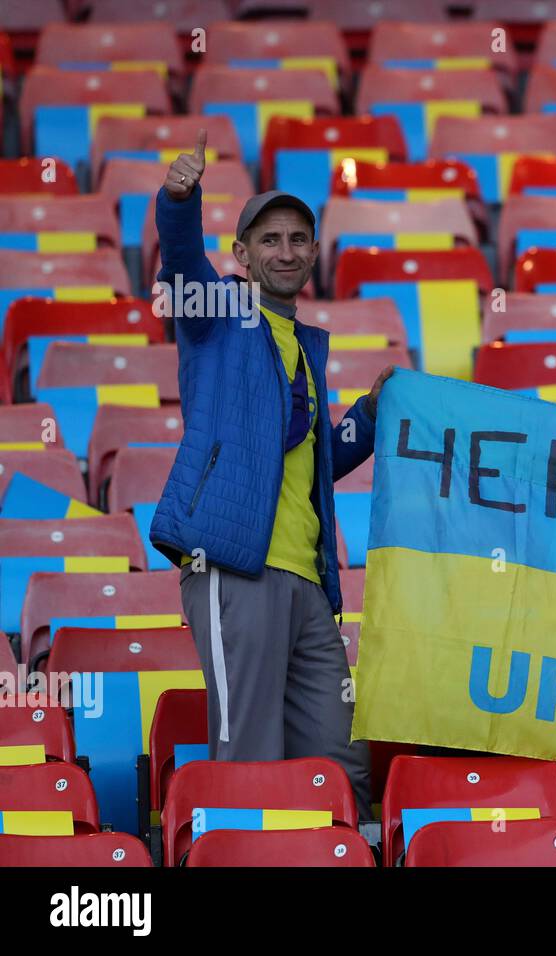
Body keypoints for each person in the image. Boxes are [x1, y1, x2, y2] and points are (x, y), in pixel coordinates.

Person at [148, 130, 393, 813]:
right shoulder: (215, 313)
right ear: (243, 255)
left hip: (309, 585)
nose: (285, 251)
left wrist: (369, 415)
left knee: (340, 763)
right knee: (246, 756)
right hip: (234, 569)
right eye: (269, 239)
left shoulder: (306, 346)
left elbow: (316, 461)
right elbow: (179, 260)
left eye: (297, 239)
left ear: (313, 253)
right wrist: (178, 197)